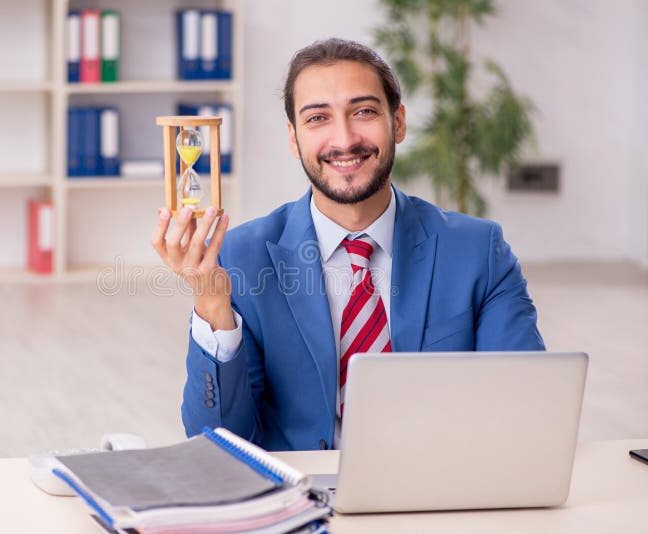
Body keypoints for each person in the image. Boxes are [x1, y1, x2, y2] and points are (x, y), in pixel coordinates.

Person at [152, 38, 544, 452]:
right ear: (294, 138)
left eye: (364, 112)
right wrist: (211, 303)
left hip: (438, 494)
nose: (344, 139)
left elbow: (524, 410)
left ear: (398, 122)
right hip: (302, 501)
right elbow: (216, 442)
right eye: (318, 118)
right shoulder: (241, 257)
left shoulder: (478, 251)